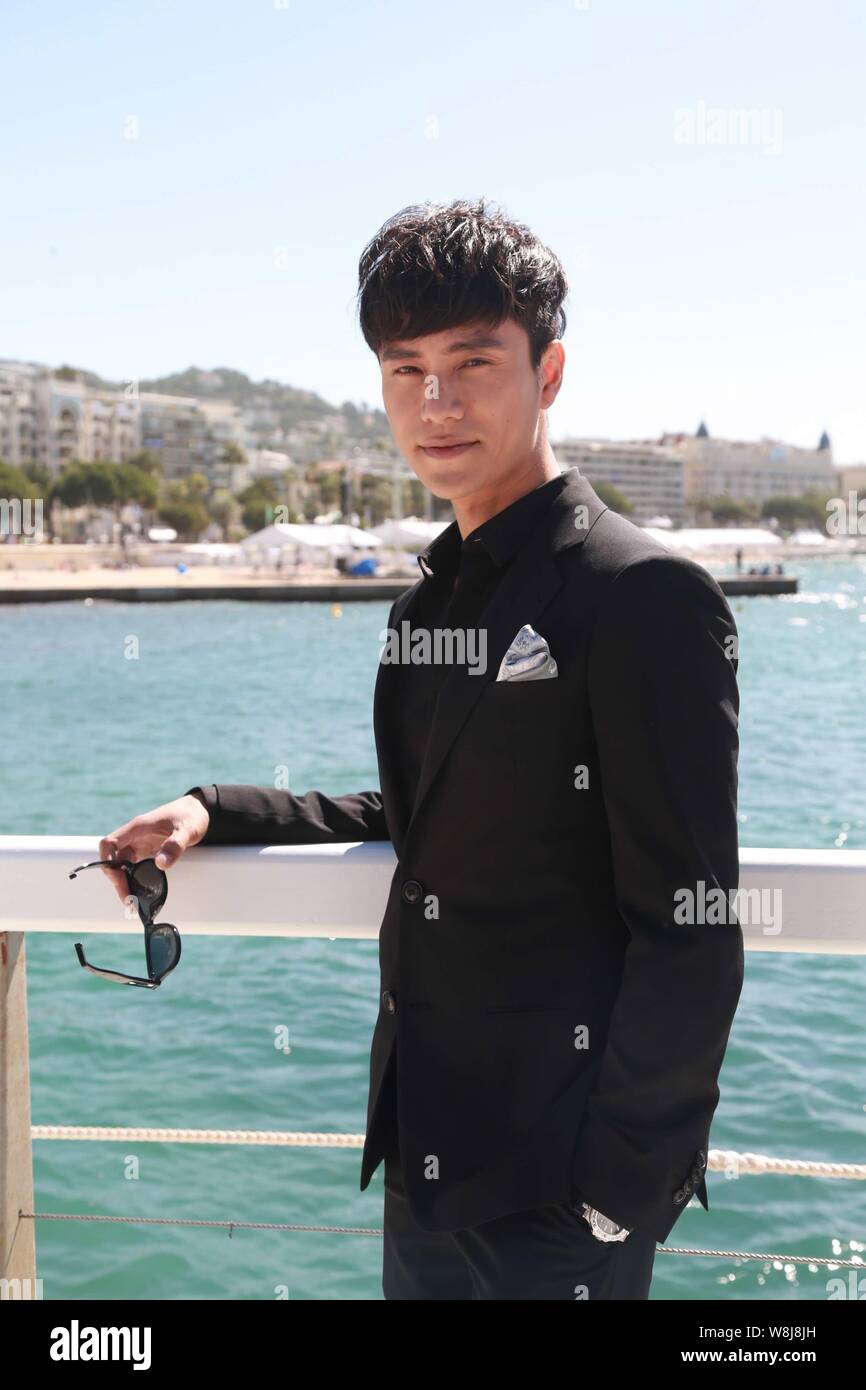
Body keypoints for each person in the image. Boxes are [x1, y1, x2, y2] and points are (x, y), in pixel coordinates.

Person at [99, 198, 743, 1301]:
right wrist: (218, 807)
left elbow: (690, 924)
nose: (434, 403)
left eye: (469, 363)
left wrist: (609, 1194)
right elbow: (431, 812)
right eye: (405, 371)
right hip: (426, 1156)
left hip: (557, 1193)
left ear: (547, 374)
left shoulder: (643, 596)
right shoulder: (426, 600)